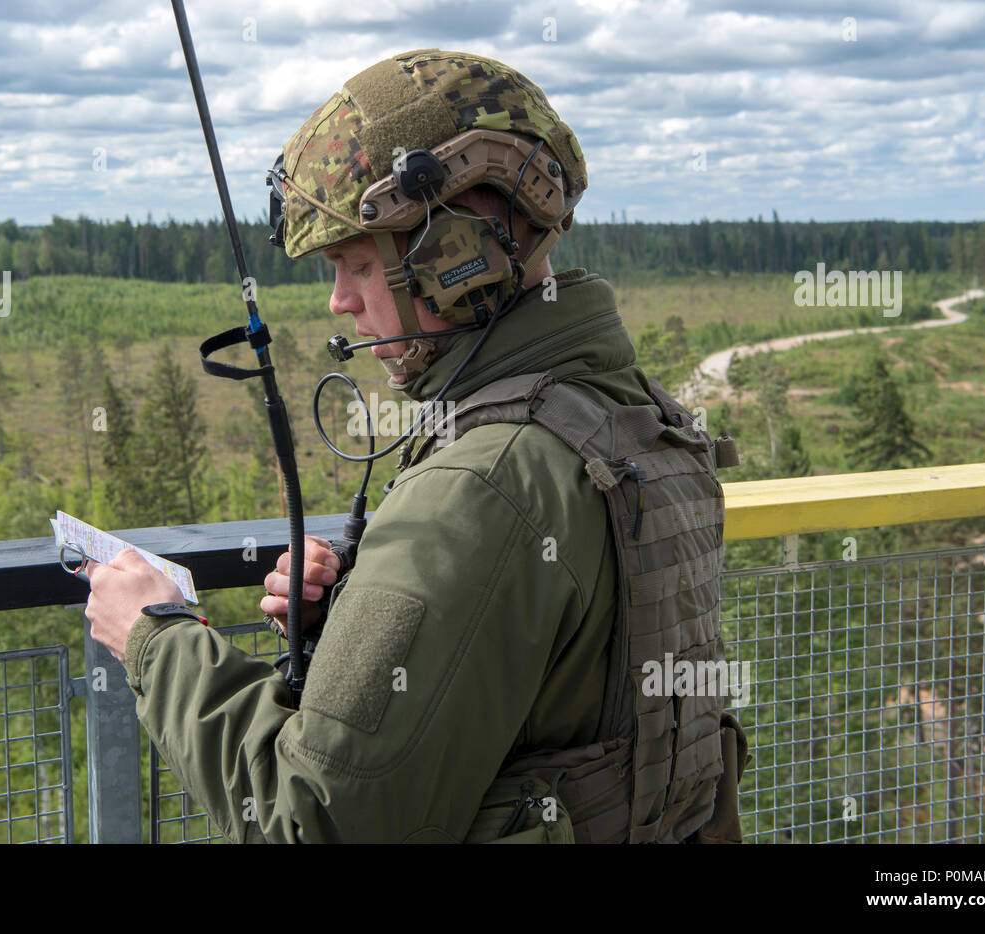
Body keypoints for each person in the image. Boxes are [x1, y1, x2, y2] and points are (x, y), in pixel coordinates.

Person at [85, 48, 746, 843]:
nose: (341, 303)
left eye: (356, 265)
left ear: (454, 261)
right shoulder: (636, 418)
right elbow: (561, 696)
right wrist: (358, 621)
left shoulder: (485, 485)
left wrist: (156, 638)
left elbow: (310, 821)